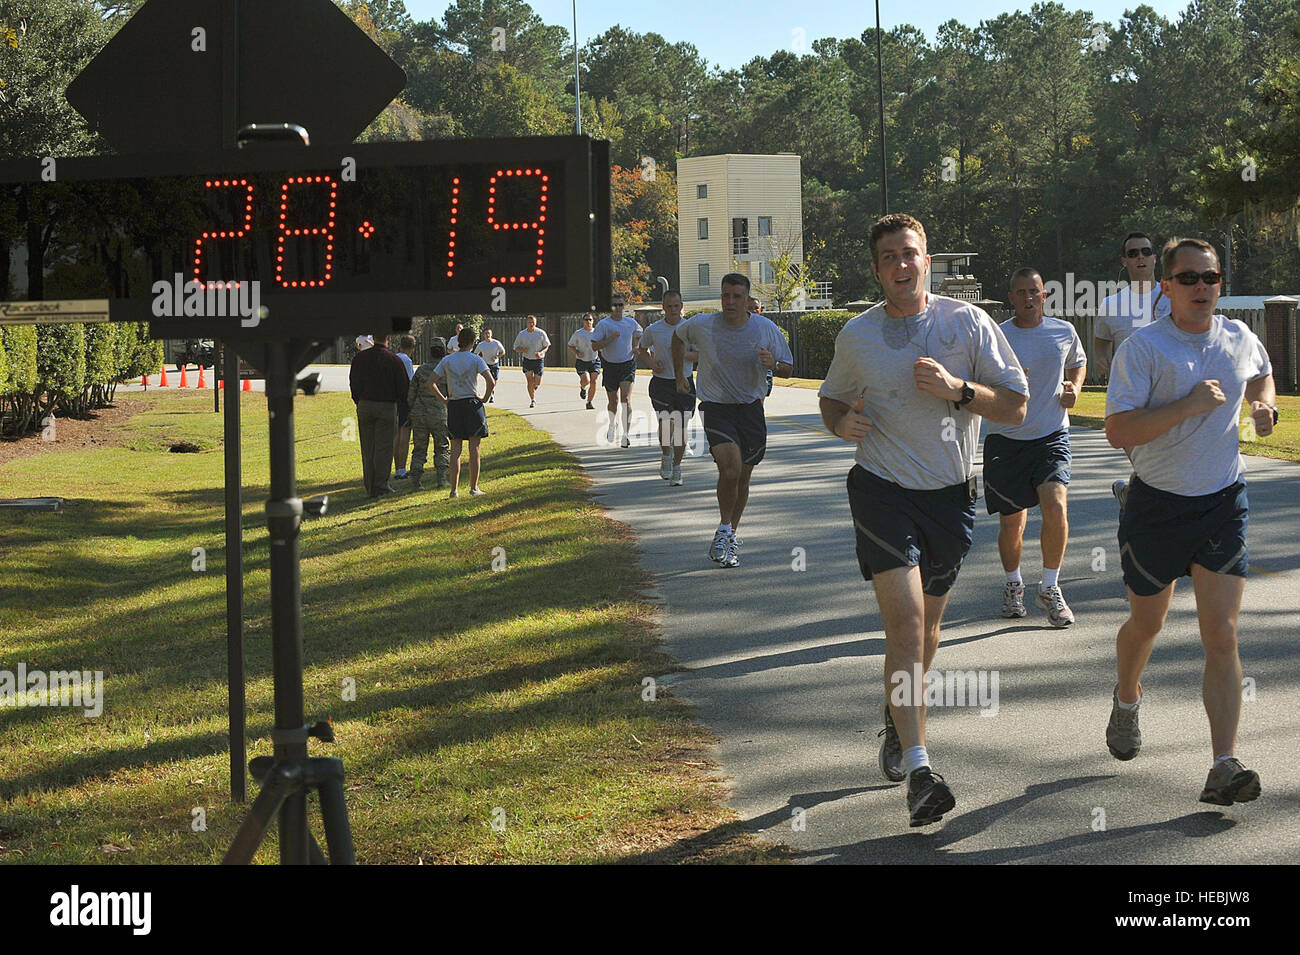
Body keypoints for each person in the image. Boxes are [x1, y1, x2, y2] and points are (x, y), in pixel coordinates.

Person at [817, 213, 1027, 827]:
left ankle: (895, 713)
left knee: (928, 633)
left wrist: (959, 390)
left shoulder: (967, 323)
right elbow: (831, 395)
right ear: (877, 268)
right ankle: (919, 768)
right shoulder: (857, 336)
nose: (900, 265)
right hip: (882, 490)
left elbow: (1015, 407)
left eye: (910, 254)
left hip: (949, 497)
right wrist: (839, 423)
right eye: (888, 257)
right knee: (906, 628)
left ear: (926, 261)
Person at [1103, 237, 1276, 807]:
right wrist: (1188, 405)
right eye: (1191, 278)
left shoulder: (1238, 337)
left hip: (1222, 501)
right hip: (1156, 504)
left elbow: (1260, 376)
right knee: (1146, 626)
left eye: (1212, 278)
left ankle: (1223, 764)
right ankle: (1127, 697)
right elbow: (1120, 432)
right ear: (1167, 286)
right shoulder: (1143, 347)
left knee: (1221, 634)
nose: (1204, 288)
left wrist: (1262, 406)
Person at [985, 268, 1087, 627]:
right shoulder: (998, 336)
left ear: (1045, 296)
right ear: (1011, 297)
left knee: (1056, 505)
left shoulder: (1064, 331)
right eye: (1021, 292)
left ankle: (1049, 586)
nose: (1029, 298)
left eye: (1035, 292)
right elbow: (979, 378)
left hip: (1051, 435)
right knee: (1013, 523)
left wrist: (1073, 387)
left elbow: (1078, 362)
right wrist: (1006, 384)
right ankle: (1013, 584)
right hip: (1007, 439)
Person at [671, 273, 793, 566]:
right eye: (725, 296)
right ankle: (725, 528)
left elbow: (788, 368)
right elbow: (677, 337)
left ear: (748, 301)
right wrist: (679, 375)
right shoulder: (703, 324)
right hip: (716, 407)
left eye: (736, 296)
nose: (729, 302)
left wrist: (773, 364)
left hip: (751, 409)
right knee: (730, 468)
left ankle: (730, 534)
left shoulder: (764, 328)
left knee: (743, 476)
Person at [638, 290, 699, 486]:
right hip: (662, 383)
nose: (673, 310)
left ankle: (677, 467)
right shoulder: (654, 329)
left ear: (682, 306)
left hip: (685, 382)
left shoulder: (691, 329)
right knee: (666, 424)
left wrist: (681, 355)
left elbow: (699, 355)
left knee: (681, 427)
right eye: (669, 306)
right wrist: (651, 364)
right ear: (663, 308)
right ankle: (666, 456)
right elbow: (642, 348)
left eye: (676, 306)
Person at [1094, 232, 1172, 378]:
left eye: (1146, 251)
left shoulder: (1174, 298)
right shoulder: (1110, 304)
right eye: (1133, 253)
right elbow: (1101, 340)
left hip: (1168, 389)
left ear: (1154, 259)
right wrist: (1102, 358)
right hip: (1127, 392)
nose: (1140, 256)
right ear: (1124, 261)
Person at [431, 326, 496, 497]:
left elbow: (431, 383)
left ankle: (454, 490)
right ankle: (474, 488)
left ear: (458, 341)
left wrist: (444, 399)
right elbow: (491, 381)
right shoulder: (475, 359)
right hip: (472, 404)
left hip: (454, 404)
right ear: (473, 342)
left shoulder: (447, 360)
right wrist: (484, 398)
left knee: (455, 448)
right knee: (474, 448)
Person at [348, 331, 409, 498]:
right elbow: (403, 387)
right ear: (388, 339)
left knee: (368, 448)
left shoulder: (360, 359)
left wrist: (359, 401)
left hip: (365, 404)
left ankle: (370, 486)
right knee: (384, 448)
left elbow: (354, 382)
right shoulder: (394, 360)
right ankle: (381, 485)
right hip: (386, 406)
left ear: (372, 339)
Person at [591, 294, 642, 446]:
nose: (618, 308)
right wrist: (611, 339)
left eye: (620, 305)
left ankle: (626, 434)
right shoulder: (604, 324)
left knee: (625, 399)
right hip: (610, 365)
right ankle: (612, 424)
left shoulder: (630, 323)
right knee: (613, 401)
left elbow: (640, 334)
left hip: (627, 364)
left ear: (624, 306)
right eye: (615, 305)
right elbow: (594, 346)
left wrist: (637, 346)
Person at [407, 338, 451, 490]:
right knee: (442, 447)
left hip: (419, 413)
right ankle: (442, 479)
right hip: (439, 413)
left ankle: (416, 483)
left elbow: (411, 394)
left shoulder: (421, 369)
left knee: (419, 448)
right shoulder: (446, 369)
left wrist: (411, 411)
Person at [392, 333, 416, 479]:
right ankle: (402, 468)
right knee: (404, 435)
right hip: (404, 400)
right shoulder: (406, 360)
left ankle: (397, 467)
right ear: (412, 347)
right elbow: (411, 382)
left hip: (393, 399)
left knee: (396, 435)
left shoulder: (394, 358)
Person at [512, 315, 550, 408]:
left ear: (535, 323)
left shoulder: (541, 333)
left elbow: (547, 346)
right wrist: (522, 350)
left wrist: (541, 353)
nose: (531, 324)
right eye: (529, 322)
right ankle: (533, 400)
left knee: (537, 381)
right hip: (527, 359)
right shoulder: (522, 334)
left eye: (533, 322)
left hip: (538, 360)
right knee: (529, 380)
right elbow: (515, 347)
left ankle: (535, 386)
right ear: (526, 323)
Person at [568, 314, 602, 410]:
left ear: (593, 321)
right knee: (586, 380)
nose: (588, 321)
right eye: (586, 320)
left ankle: (589, 402)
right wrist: (577, 352)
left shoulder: (597, 332)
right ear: (583, 321)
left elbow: (601, 344)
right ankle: (583, 388)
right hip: (582, 361)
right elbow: (570, 345)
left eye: (590, 319)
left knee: (594, 381)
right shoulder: (578, 333)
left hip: (594, 360)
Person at [748, 294, 774, 397]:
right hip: (746, 371)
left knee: (760, 399)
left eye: (756, 308)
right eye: (750, 308)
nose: (753, 311)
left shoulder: (767, 327)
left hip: (763, 369)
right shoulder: (738, 328)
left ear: (760, 310)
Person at [474, 327, 506, 403]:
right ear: (484, 335)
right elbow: (475, 354)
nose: (487, 335)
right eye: (486, 333)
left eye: (489, 333)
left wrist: (496, 356)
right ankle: (491, 396)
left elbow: (503, 352)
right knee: (489, 381)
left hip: (494, 364)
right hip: (485, 365)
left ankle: (492, 391)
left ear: (491, 334)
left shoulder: (496, 343)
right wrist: (480, 360)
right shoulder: (481, 345)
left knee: (494, 381)